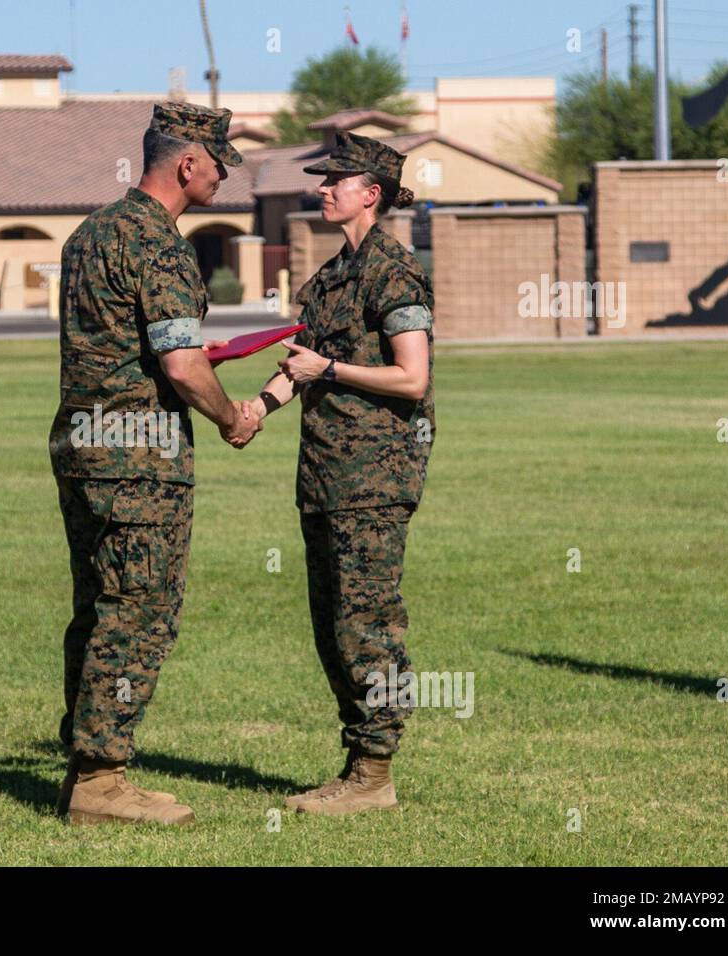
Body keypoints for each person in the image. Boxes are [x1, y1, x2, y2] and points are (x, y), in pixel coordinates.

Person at [49, 101, 259, 826]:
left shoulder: (89, 234)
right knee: (138, 613)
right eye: (220, 162)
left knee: (99, 607)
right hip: (137, 459)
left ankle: (86, 766)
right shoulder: (158, 244)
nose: (225, 175)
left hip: (83, 445)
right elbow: (180, 362)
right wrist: (232, 416)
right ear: (188, 163)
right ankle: (102, 783)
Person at [244, 132, 433, 816]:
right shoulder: (328, 280)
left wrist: (329, 369)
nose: (321, 189)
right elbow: (300, 364)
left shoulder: (394, 272)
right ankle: (358, 763)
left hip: (375, 479)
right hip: (325, 475)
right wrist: (258, 408)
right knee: (332, 624)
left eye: (335, 181)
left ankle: (374, 774)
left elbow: (412, 377)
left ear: (371, 193)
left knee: (367, 623)